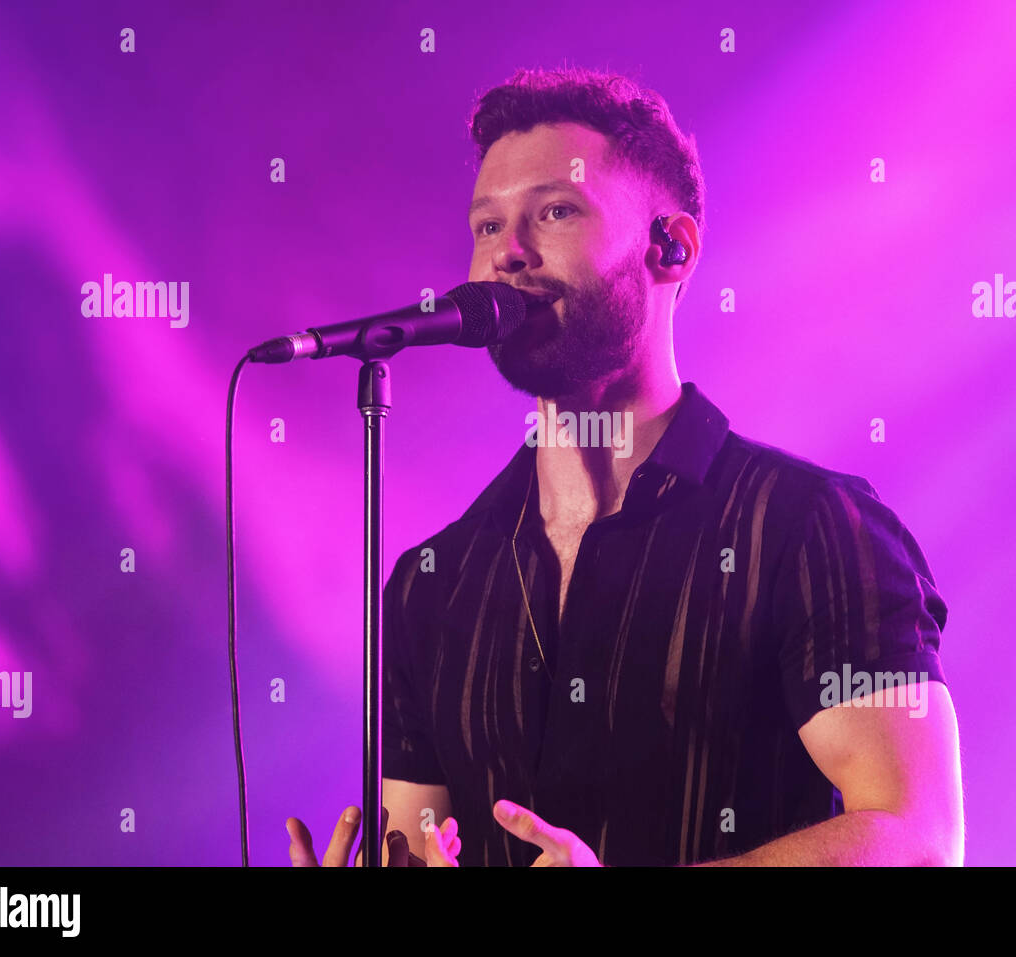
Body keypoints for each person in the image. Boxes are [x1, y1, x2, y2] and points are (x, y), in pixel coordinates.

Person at [288, 66, 963, 867]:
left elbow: (914, 840)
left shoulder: (809, 529)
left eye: (555, 211)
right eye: (486, 225)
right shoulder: (432, 581)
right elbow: (417, 849)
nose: (507, 253)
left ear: (670, 248)